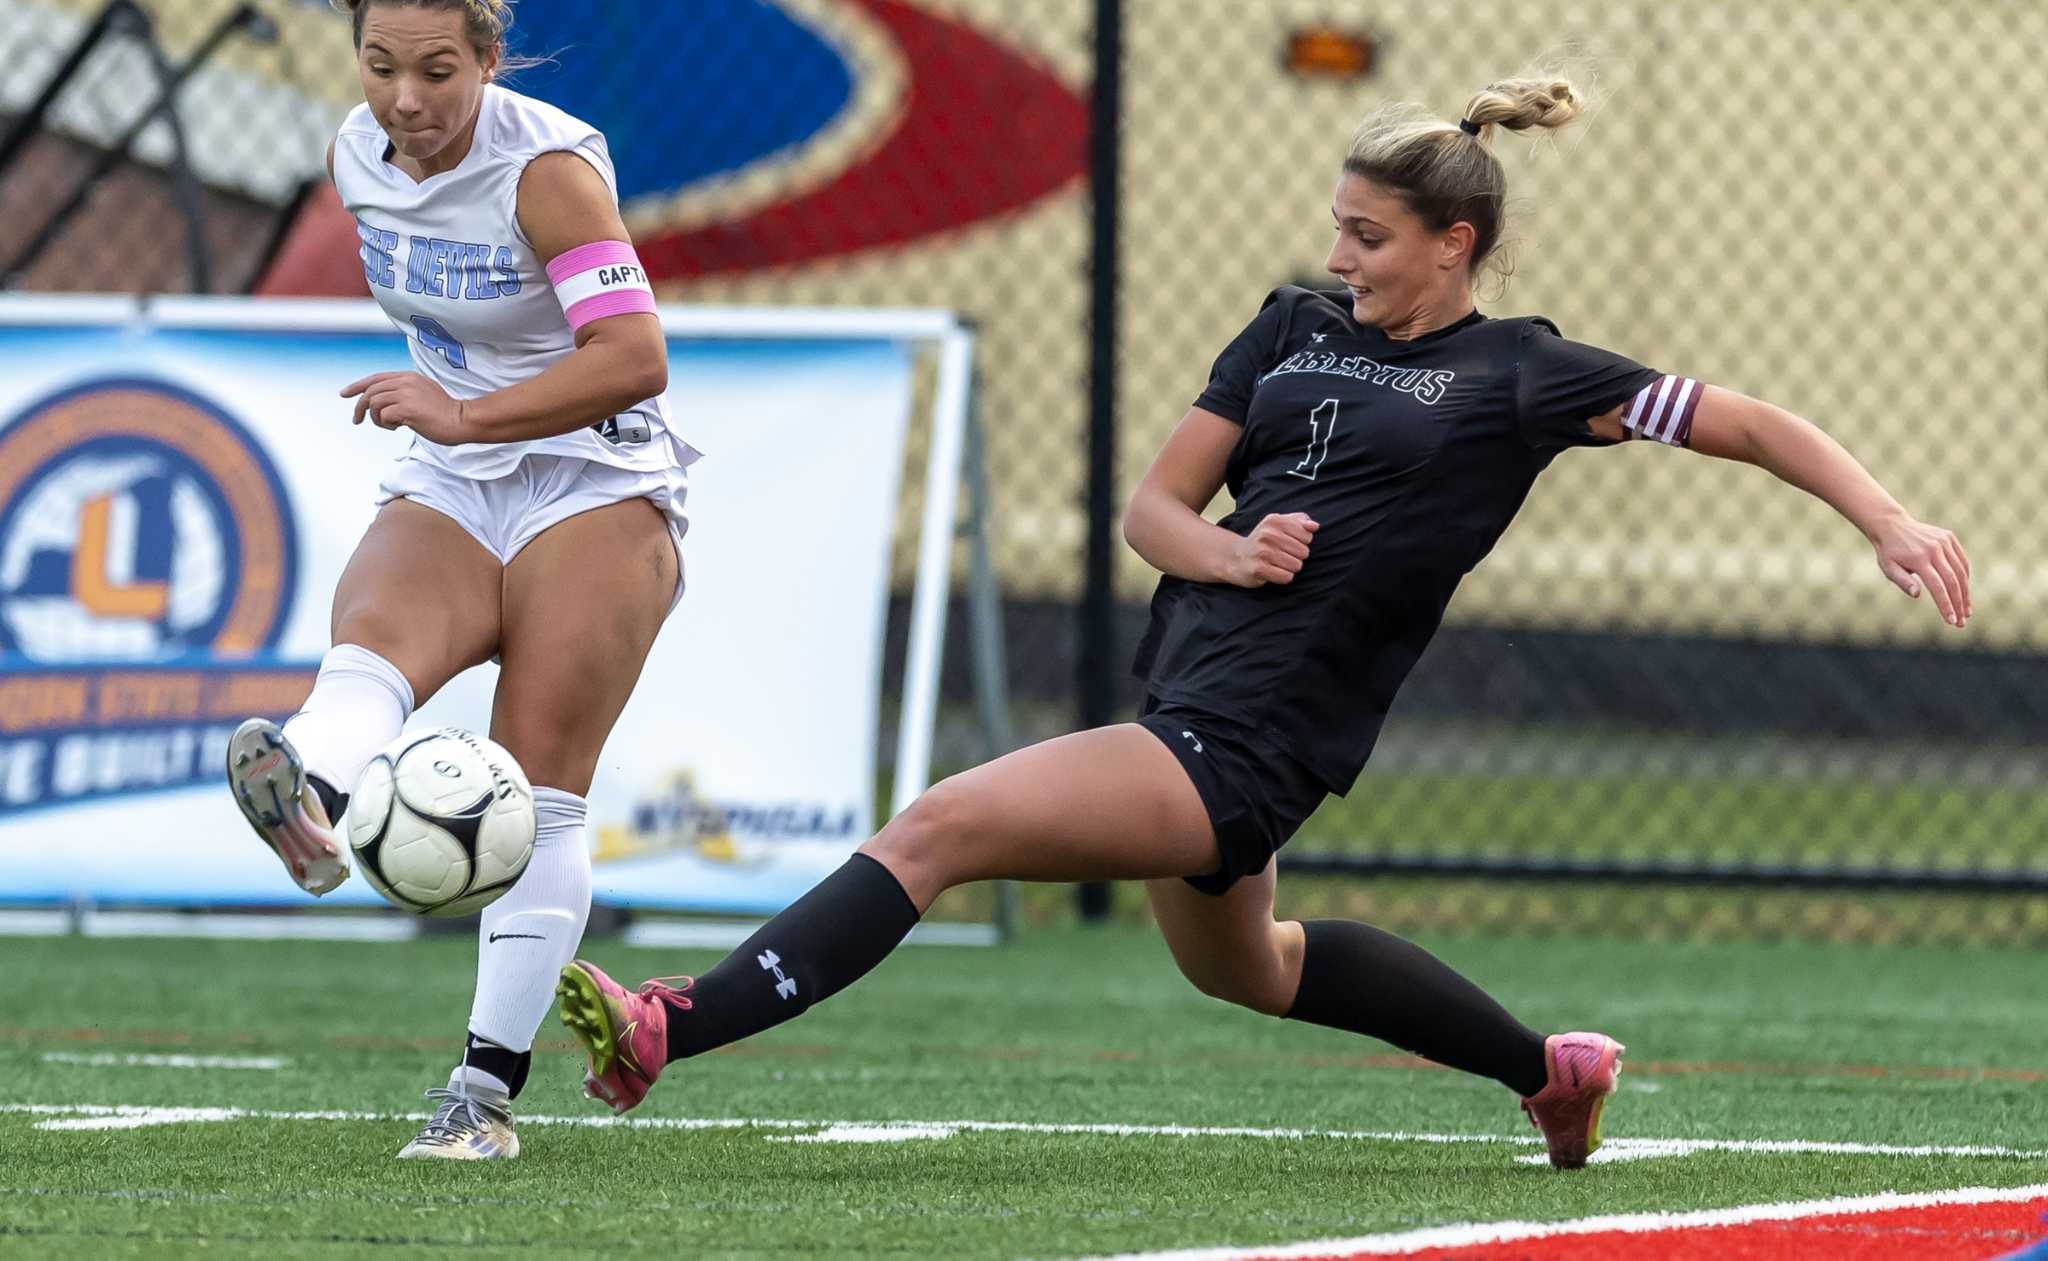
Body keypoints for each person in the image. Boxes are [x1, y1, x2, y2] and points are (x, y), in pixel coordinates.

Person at [554, 77, 1971, 1169]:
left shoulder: (1524, 376)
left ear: (1455, 245)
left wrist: (1888, 519)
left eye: (1370, 236)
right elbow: (1154, 510)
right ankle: (1550, 1071)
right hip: (1192, 684)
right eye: (1339, 227)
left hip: (1258, 729)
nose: (1341, 254)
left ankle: (676, 1020)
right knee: (1254, 967)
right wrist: (1227, 553)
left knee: (938, 827)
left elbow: (1745, 420)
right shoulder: (1290, 328)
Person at [224, 0, 697, 1160]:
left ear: (490, 61)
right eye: (381, 65)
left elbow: (634, 357)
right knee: (368, 653)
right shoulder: (355, 151)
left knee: (537, 791)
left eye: (437, 70)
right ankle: (308, 786)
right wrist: (459, 427)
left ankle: (481, 1099)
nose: (406, 98)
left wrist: (468, 411)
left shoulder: (546, 173)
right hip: (456, 468)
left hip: (594, 478)